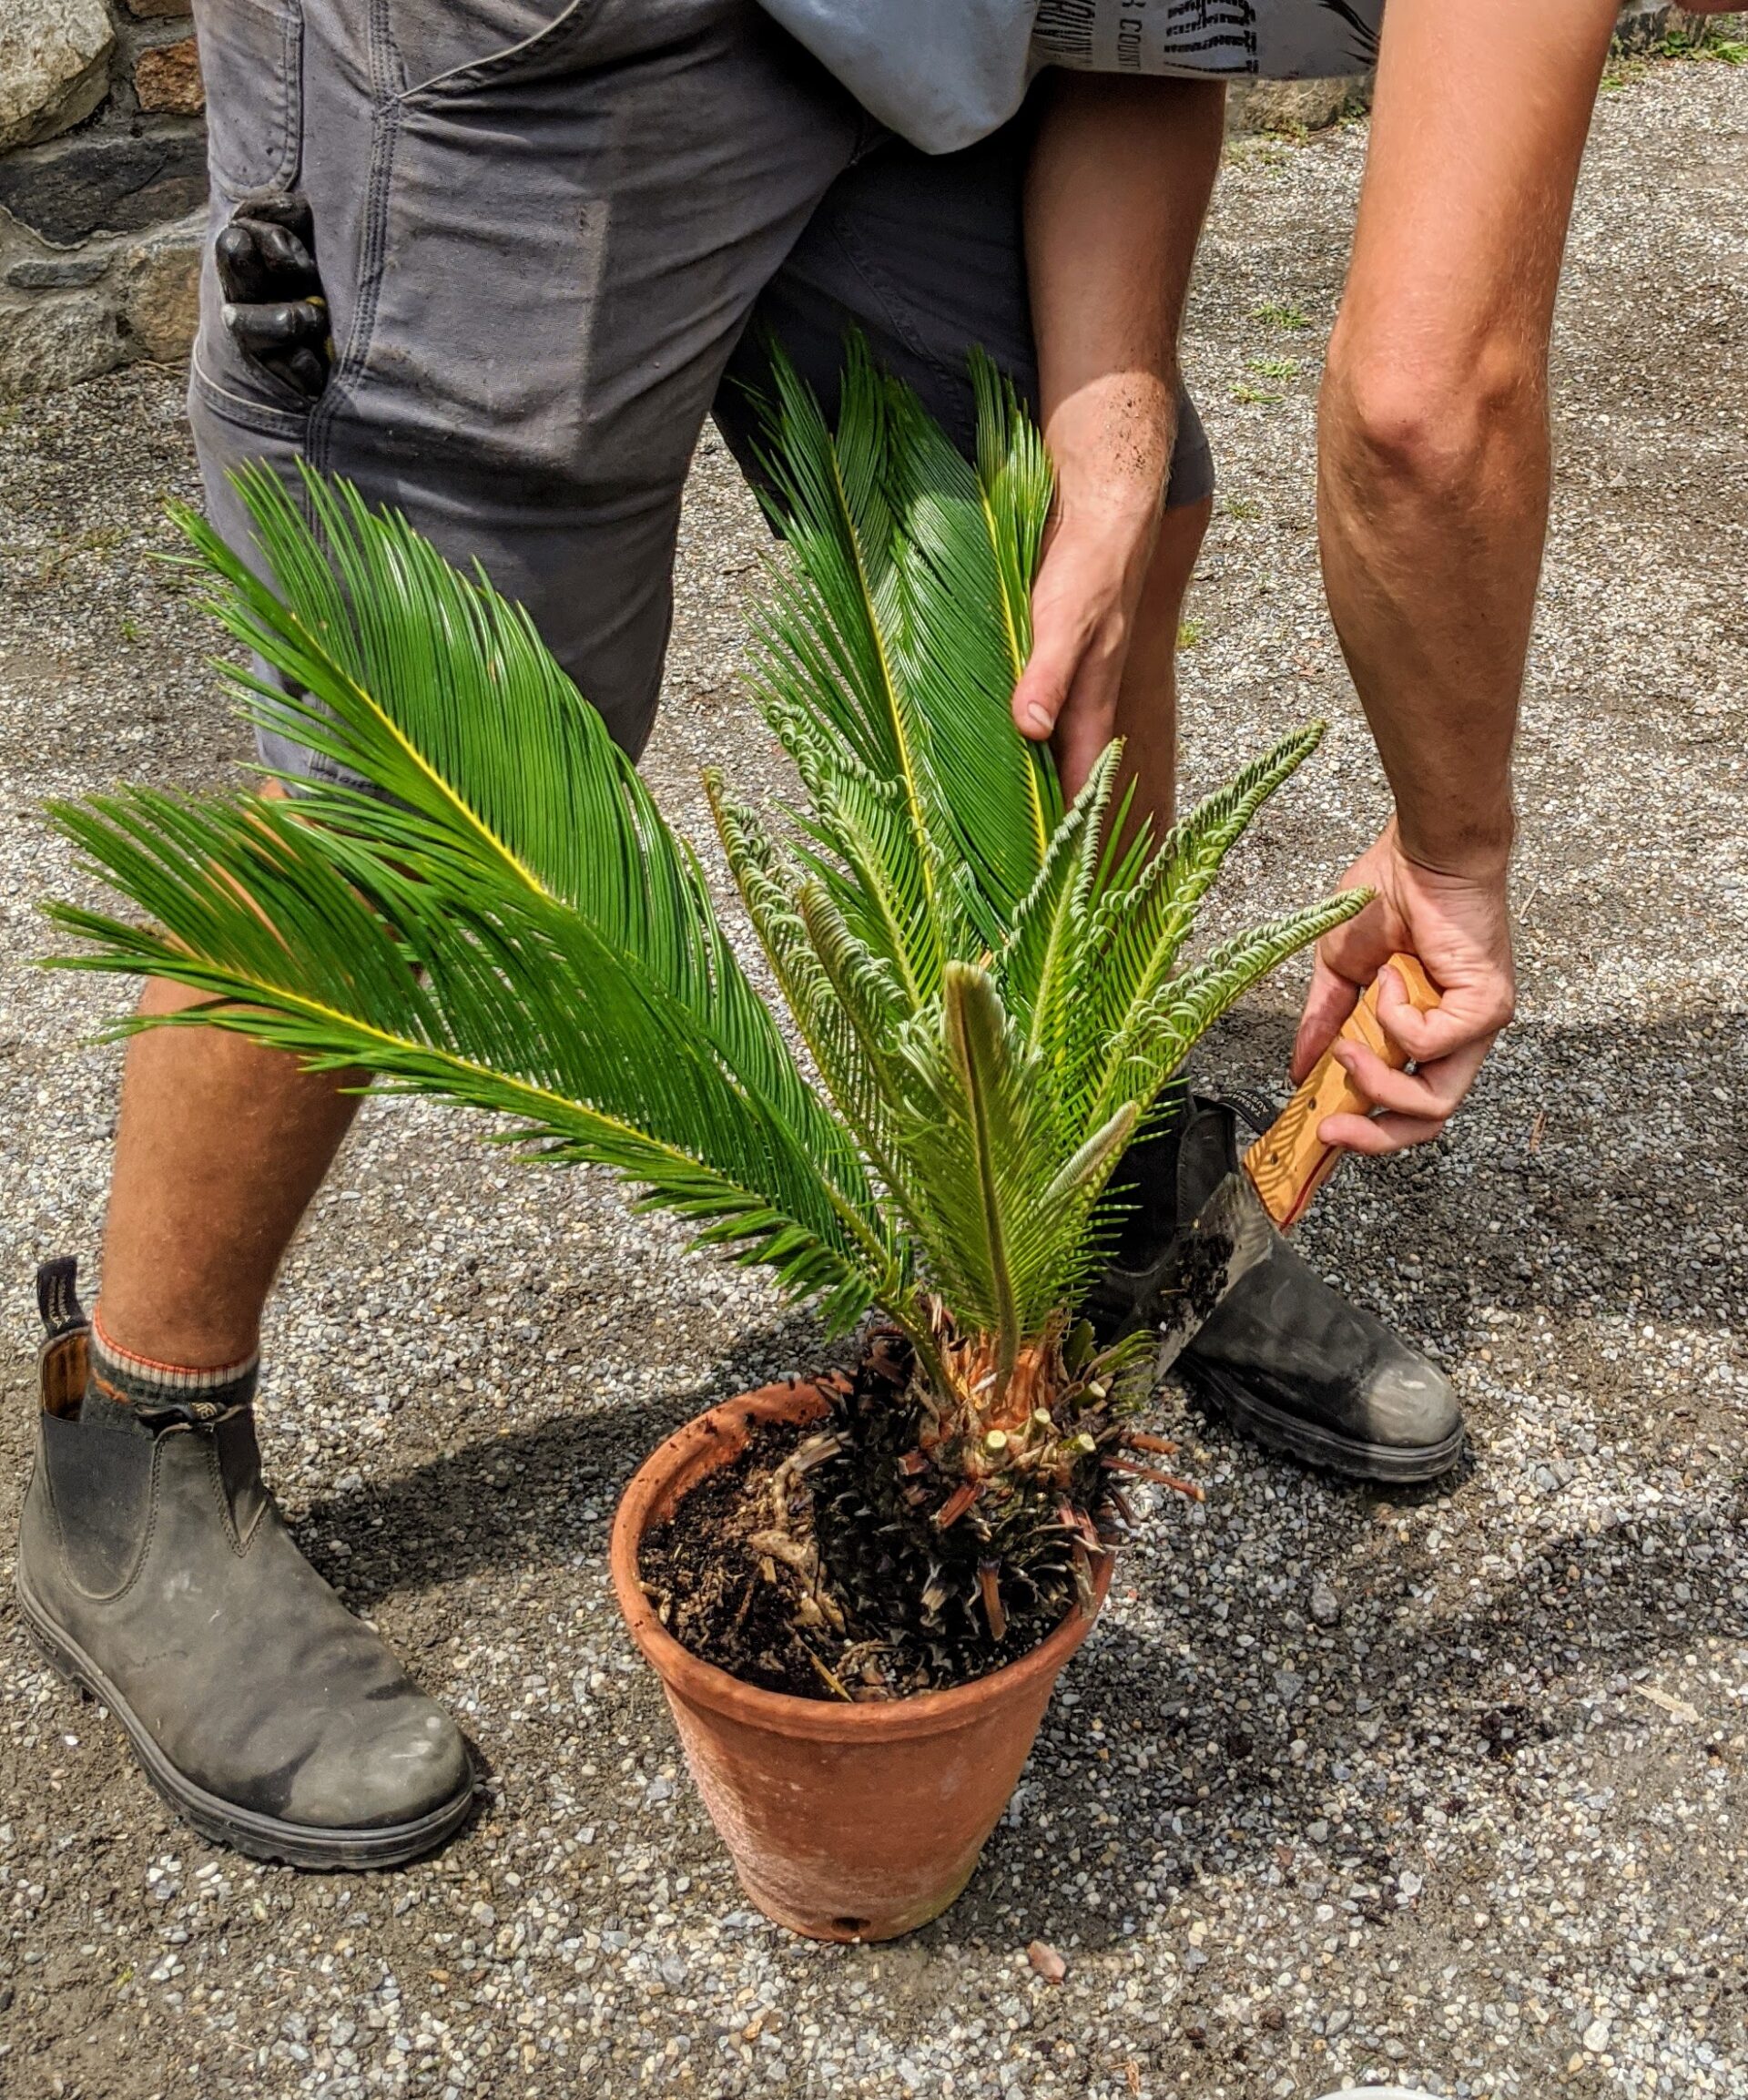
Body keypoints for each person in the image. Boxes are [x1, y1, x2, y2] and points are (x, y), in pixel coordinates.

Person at [15, 0, 1621, 1868]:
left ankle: (1076, 1183)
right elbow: (1429, 408)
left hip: (920, 39)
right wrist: (1460, 848)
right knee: (447, 747)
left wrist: (1105, 437)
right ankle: (132, 1435)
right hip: (522, 44)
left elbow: (1142, 17)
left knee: (1069, 545)